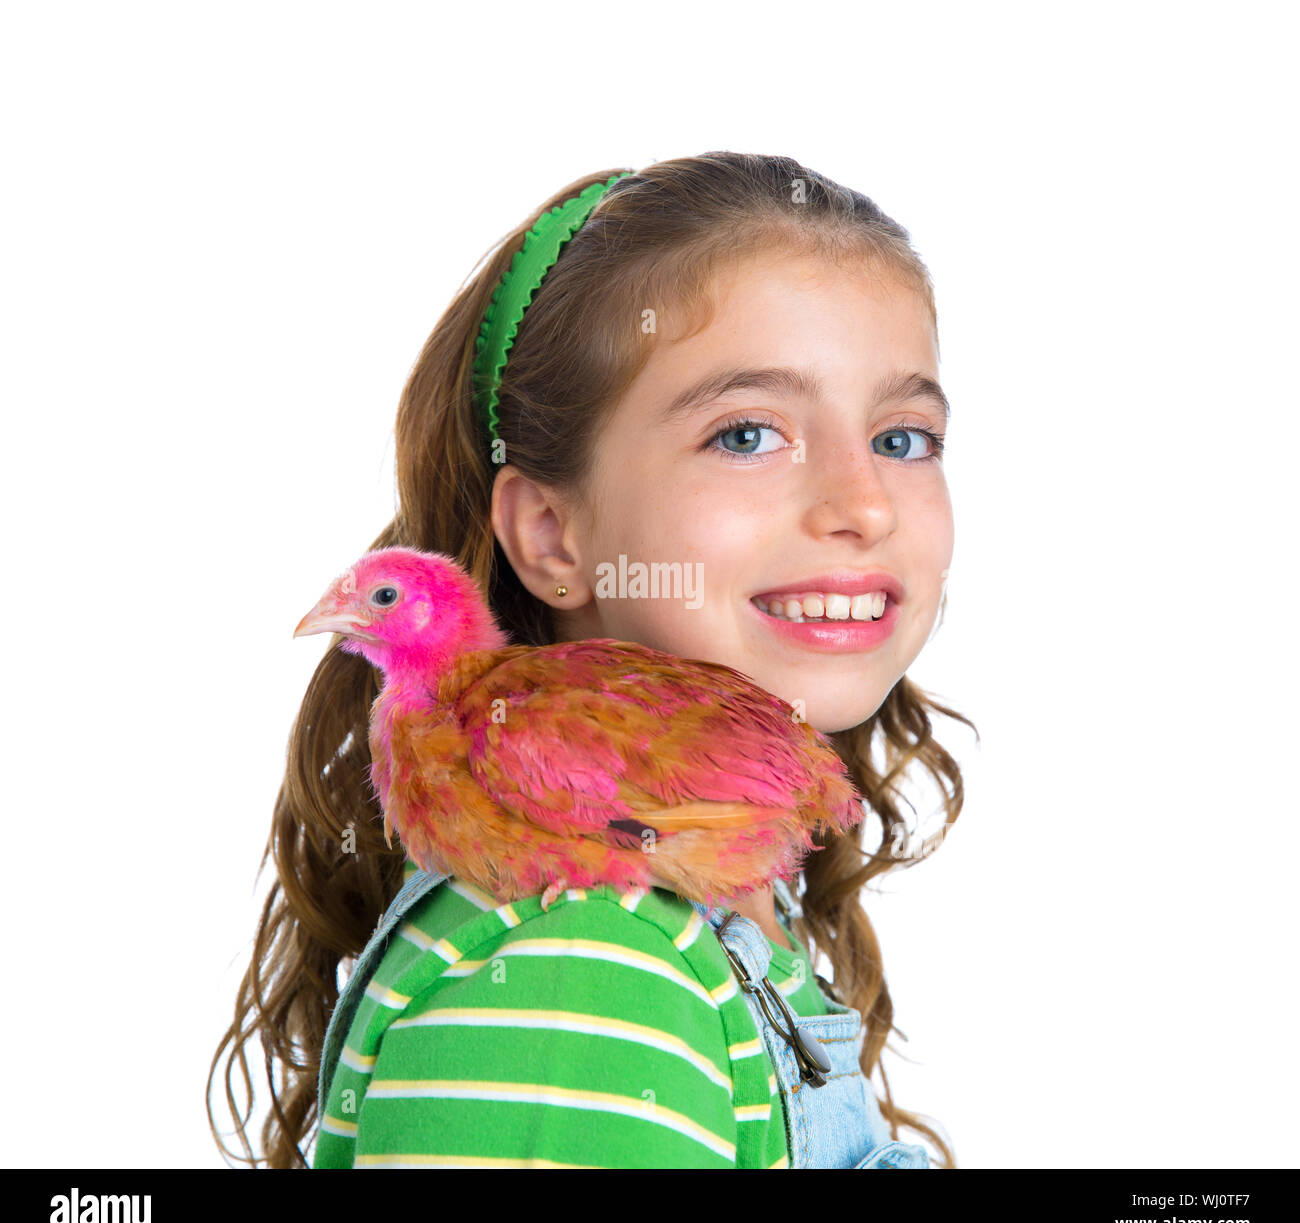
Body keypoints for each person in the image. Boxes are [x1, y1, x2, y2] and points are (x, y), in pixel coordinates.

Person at [208, 151, 977, 1169]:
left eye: (904, 437)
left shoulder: (697, 903)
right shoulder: (585, 966)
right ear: (553, 536)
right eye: (746, 433)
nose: (865, 503)